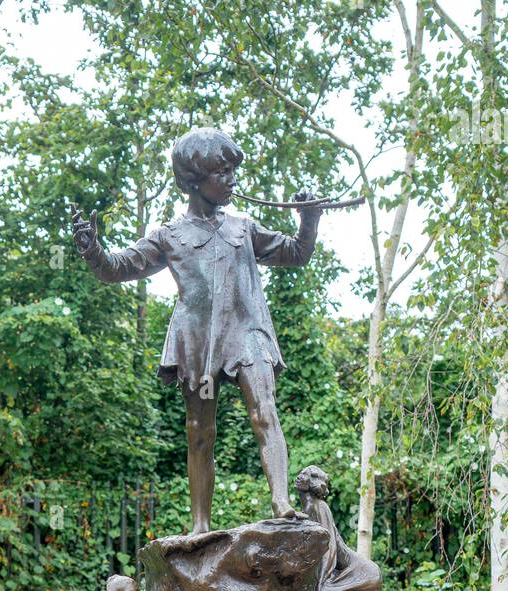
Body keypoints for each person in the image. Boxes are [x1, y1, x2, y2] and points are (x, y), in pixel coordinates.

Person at [72, 127, 322, 534]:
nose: (231, 180)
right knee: (200, 432)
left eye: (231, 171)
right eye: (221, 172)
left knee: (265, 410)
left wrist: (309, 217)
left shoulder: (244, 228)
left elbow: (296, 253)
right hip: (198, 340)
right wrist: (92, 250)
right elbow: (117, 269)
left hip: (246, 331)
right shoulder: (170, 236)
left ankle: (281, 501)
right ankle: (200, 527)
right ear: (193, 179)